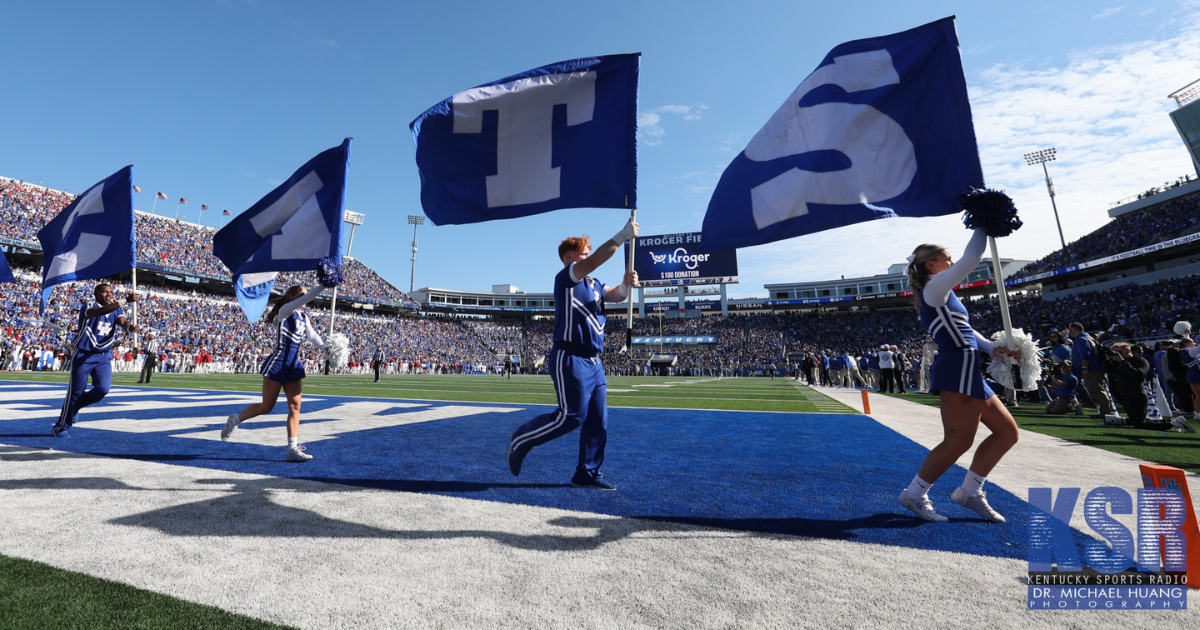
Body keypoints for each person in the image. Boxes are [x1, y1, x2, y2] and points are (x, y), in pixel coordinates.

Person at [898, 229, 1020, 523]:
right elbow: (973, 257)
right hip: (958, 365)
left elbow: (965, 328)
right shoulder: (934, 286)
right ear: (931, 264)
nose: (952, 264)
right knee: (958, 440)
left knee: (1007, 432)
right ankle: (914, 493)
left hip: (968, 364)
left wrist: (991, 347)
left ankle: (970, 491)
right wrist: (983, 224)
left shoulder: (942, 291)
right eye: (947, 259)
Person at [507, 218, 638, 490]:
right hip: (570, 355)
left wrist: (626, 285)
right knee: (572, 416)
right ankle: (521, 439)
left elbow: (616, 296)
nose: (588, 255)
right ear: (569, 257)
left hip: (594, 360)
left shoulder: (595, 283)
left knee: (598, 421)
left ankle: (587, 474)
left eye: (588, 251)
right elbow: (597, 260)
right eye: (583, 252)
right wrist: (622, 235)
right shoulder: (566, 278)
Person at [220, 283, 329, 462]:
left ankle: (292, 449)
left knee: (295, 407)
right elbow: (309, 297)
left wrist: (325, 348)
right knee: (266, 407)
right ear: (291, 297)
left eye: (305, 294)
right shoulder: (285, 311)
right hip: (277, 364)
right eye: (301, 294)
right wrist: (324, 285)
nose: (305, 297)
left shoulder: (303, 317)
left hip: (293, 366)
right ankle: (235, 420)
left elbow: (312, 336)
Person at [51, 284, 140, 437]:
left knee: (103, 389)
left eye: (111, 292)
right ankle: (60, 426)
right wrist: (125, 300)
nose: (109, 294)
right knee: (75, 393)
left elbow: (123, 322)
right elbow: (101, 311)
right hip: (84, 355)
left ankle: (75, 408)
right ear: (96, 293)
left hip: (103, 355)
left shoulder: (117, 309)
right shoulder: (89, 306)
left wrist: (130, 328)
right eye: (105, 292)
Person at [1069, 322, 1115, 419]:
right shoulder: (1088, 337)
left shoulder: (1081, 339)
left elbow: (1085, 354)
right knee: (1099, 390)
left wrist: (1085, 367)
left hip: (1091, 369)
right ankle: (1105, 411)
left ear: (1073, 329)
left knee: (1097, 390)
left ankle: (1106, 413)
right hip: (1095, 368)